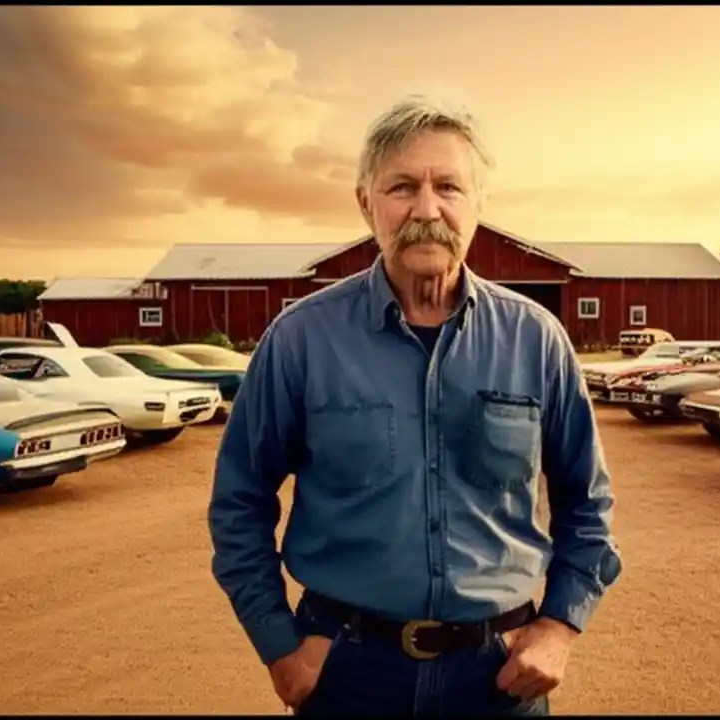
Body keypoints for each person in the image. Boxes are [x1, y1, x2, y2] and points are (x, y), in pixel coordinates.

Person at [208, 94, 621, 717]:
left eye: (448, 187)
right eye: (402, 186)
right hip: (346, 673)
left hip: (497, 677)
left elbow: (585, 504)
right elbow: (239, 502)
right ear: (365, 201)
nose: (426, 209)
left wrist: (560, 626)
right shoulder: (301, 340)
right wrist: (279, 647)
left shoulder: (536, 341)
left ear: (477, 204)